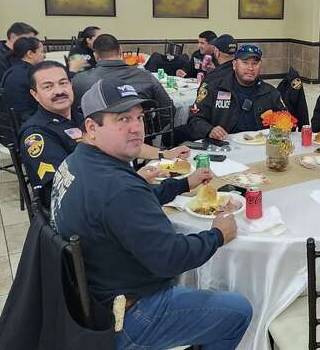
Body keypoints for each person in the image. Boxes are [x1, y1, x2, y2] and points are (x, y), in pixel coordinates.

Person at [50, 79, 252, 349]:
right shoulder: (119, 189)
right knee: (238, 310)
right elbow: (171, 258)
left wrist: (182, 184)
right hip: (127, 316)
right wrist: (217, 235)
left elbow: (125, 206)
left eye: (139, 117)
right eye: (122, 119)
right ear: (91, 127)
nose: (136, 128)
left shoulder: (77, 160)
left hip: (89, 300)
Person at [20, 62, 190, 210]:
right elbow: (64, 188)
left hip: (114, 191)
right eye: (48, 87)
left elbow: (123, 141)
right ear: (35, 94)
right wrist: (134, 180)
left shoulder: (80, 115)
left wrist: (164, 154)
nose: (59, 91)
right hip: (86, 211)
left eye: (63, 83)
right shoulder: (37, 134)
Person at [72, 34, 174, 128]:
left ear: (95, 56)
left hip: (99, 141)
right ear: (120, 51)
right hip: (139, 137)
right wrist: (151, 129)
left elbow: (74, 115)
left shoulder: (79, 81)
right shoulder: (145, 76)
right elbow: (168, 109)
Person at [187, 44, 286, 141]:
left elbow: (286, 120)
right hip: (224, 147)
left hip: (260, 147)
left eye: (255, 63)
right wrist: (210, 130)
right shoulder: (214, 89)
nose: (250, 68)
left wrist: (280, 127)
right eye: (245, 62)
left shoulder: (270, 92)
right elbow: (194, 119)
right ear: (234, 65)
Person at [0, 22, 38, 91]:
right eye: (27, 40)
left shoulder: (18, 52)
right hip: (7, 97)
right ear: (13, 36)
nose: (31, 44)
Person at [1, 36, 45, 123]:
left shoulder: (10, 70)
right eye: (42, 51)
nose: (44, 55)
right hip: (28, 120)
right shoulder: (31, 74)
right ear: (30, 54)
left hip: (12, 119)